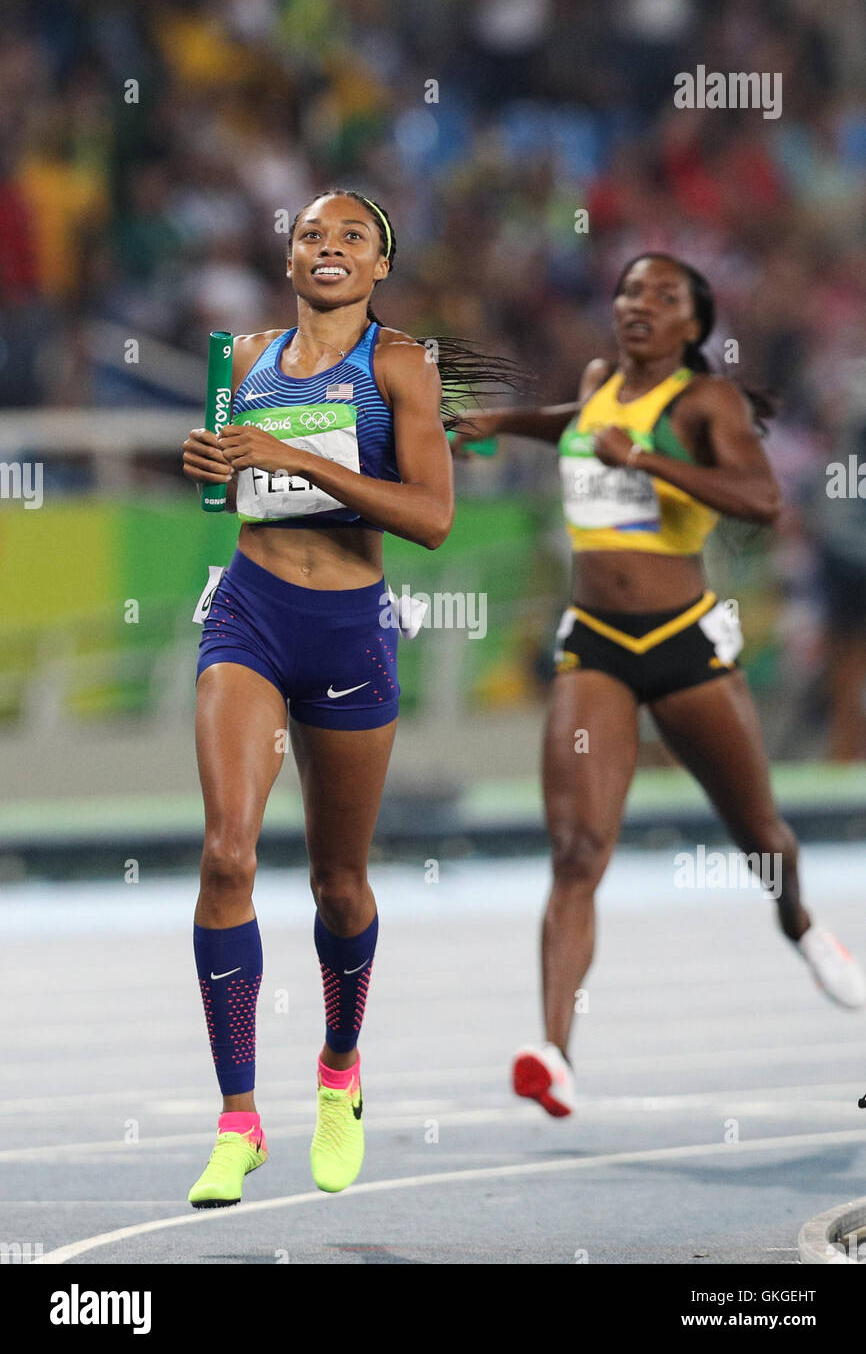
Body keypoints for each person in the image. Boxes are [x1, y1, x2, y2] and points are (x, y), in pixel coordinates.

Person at [452, 252, 865, 1118]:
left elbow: (758, 501)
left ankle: (801, 924)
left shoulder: (705, 403)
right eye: (630, 290)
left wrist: (647, 462)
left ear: (693, 326)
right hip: (595, 644)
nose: (640, 303)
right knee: (575, 851)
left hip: (684, 645)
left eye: (663, 296)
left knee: (760, 832)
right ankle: (554, 1053)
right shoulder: (601, 382)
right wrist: (500, 421)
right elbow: (574, 422)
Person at [180, 189, 513, 1203]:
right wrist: (209, 462)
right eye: (308, 233)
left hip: (348, 628)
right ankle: (238, 1118)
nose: (326, 246)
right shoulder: (236, 363)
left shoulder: (402, 365)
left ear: (379, 270)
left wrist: (292, 459)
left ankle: (337, 1072)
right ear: (287, 259)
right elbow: (224, 489)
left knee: (338, 882)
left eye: (350, 238)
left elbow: (431, 516)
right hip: (248, 613)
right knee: (226, 849)